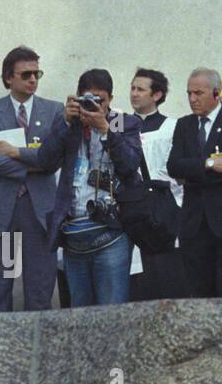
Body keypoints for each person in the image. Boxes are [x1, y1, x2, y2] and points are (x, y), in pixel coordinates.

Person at [28, 69, 142, 306]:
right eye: (87, 99)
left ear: (110, 99)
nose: (93, 106)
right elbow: (45, 162)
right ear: (77, 98)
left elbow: (130, 165)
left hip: (111, 231)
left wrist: (105, 129)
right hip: (74, 234)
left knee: (111, 310)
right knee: (80, 314)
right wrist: (65, 122)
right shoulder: (70, 123)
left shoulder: (119, 121)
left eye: (100, 100)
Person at [0, 45, 63, 312]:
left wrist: (16, 153)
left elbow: (54, 159)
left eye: (37, 73)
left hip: (40, 211)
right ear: (8, 78)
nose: (33, 80)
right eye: (26, 75)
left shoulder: (54, 110)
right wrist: (34, 165)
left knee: (40, 291)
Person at [167, 67, 222, 298]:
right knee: (198, 296)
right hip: (194, 225)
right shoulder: (184, 125)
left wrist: (193, 171)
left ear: (216, 93)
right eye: (189, 93)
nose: (192, 99)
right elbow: (174, 166)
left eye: (198, 93)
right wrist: (211, 164)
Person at [127, 66, 186, 301]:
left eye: (140, 89)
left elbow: (173, 168)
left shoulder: (172, 127)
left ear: (157, 95)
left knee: (163, 275)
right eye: (132, 88)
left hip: (161, 209)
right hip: (130, 209)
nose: (134, 93)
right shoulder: (121, 125)